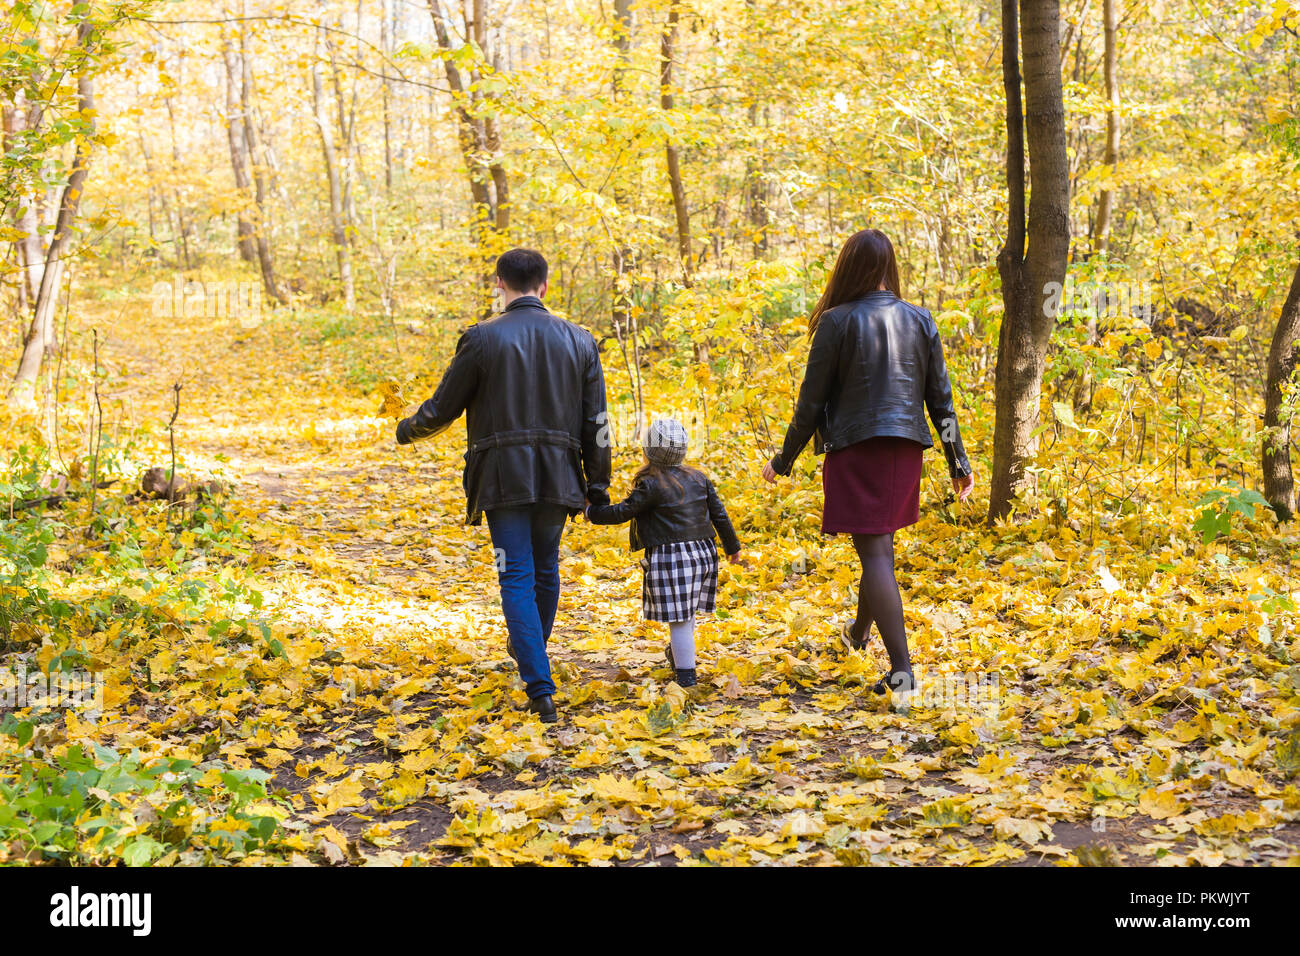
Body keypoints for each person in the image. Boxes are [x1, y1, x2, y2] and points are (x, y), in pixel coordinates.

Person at [395, 248, 610, 724]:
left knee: (515, 573)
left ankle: (538, 683)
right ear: (545, 286)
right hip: (559, 474)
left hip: (500, 476)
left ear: (499, 284)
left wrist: (406, 429)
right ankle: (532, 657)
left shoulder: (481, 339)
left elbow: (442, 408)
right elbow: (598, 422)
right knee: (545, 567)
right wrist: (598, 485)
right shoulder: (579, 341)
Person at [760, 228, 975, 698]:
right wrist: (958, 461)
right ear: (888, 267)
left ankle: (902, 671)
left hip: (857, 448)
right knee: (878, 550)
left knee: (875, 553)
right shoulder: (921, 320)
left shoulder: (837, 321)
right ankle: (859, 635)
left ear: (849, 267)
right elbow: (942, 401)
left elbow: (810, 403)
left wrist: (783, 459)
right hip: (903, 450)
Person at [586, 418, 741, 688]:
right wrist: (732, 547)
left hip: (673, 557)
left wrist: (591, 512)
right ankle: (679, 656)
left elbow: (623, 512)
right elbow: (720, 515)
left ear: (648, 451)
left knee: (680, 620)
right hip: (702, 552)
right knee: (687, 613)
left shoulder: (651, 484)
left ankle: (686, 679)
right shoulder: (699, 478)